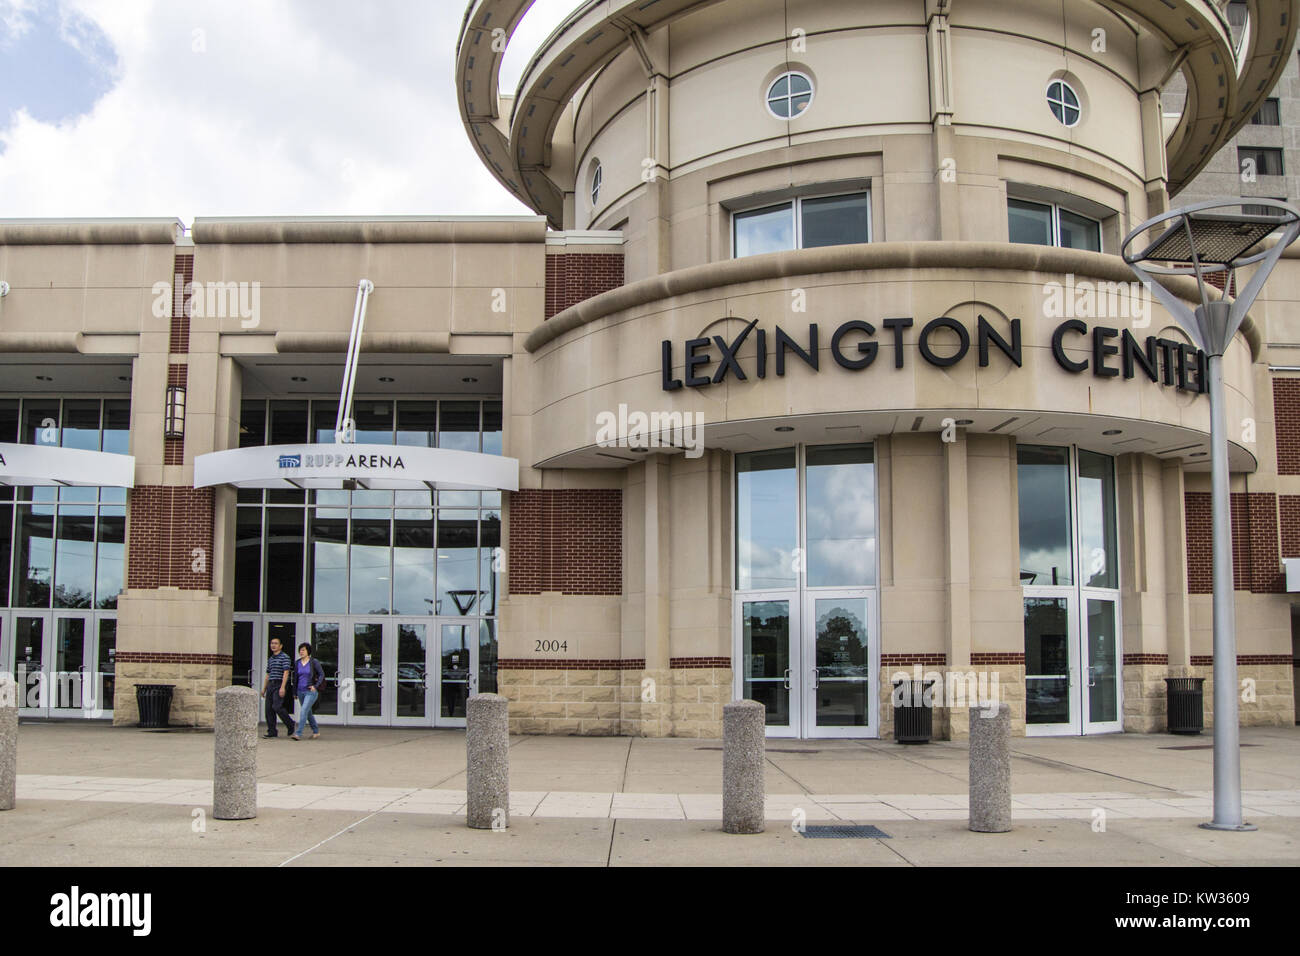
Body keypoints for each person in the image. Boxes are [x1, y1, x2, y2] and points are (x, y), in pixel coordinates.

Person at [260, 636, 296, 738]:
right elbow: (268, 674)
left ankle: (290, 724)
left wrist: (283, 687)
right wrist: (264, 689)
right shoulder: (271, 659)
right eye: (272, 643)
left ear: (280, 646)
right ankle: (272, 731)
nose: (273, 645)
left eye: (276, 643)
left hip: (280, 683)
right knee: (268, 709)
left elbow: (286, 672)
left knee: (277, 706)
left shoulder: (285, 657)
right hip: (271, 684)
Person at [290, 642, 325, 740]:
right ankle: (316, 731)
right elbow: (295, 678)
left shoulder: (314, 662)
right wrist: (294, 692)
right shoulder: (297, 663)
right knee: (308, 712)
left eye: (303, 650)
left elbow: (322, 674)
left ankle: (298, 733)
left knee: (304, 710)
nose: (301, 652)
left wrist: (316, 686)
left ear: (308, 651)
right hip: (300, 691)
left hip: (310, 691)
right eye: (300, 650)